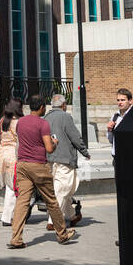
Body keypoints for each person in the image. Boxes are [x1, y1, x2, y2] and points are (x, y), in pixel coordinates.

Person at [8, 94, 76, 249]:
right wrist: (55, 142)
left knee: (22, 202)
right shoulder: (43, 124)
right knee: (51, 200)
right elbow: (49, 148)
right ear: (41, 107)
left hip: (22, 165)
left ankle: (16, 238)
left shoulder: (20, 122)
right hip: (38, 165)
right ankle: (62, 234)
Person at [45, 93, 90, 229]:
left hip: (49, 159)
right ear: (64, 105)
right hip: (64, 158)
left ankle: (72, 216)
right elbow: (75, 137)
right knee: (63, 189)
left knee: (61, 189)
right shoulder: (66, 117)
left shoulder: (45, 118)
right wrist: (84, 151)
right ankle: (53, 221)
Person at [0, 98, 23, 228]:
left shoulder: (3, 120)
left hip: (1, 155)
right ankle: (7, 217)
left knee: (9, 186)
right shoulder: (18, 122)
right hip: (13, 155)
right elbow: (20, 141)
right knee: (12, 187)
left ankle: (8, 215)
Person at [106, 88, 133, 159]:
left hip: (130, 156)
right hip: (117, 156)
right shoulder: (115, 117)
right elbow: (111, 140)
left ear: (130, 101)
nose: (120, 102)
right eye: (118, 100)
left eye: (123, 100)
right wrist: (109, 130)